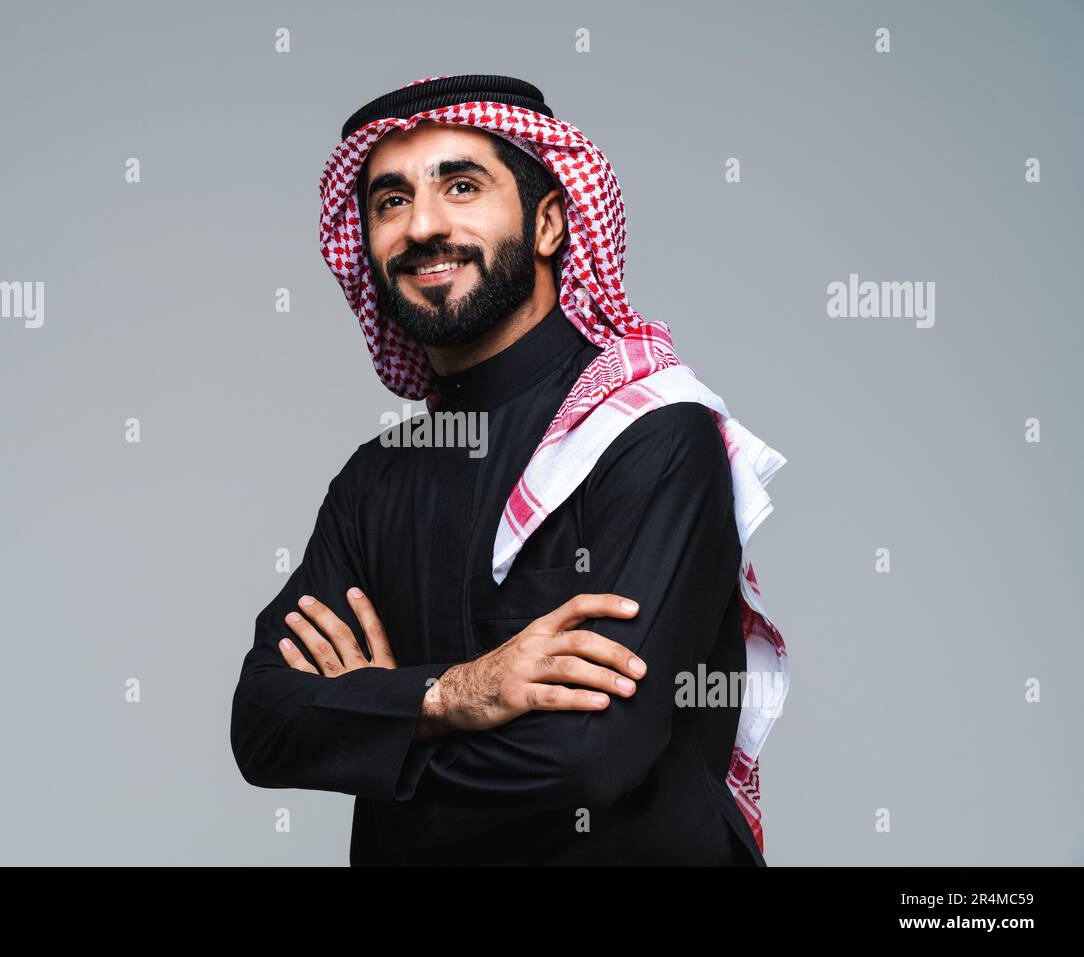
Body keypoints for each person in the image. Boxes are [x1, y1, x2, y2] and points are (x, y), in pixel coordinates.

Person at [230, 74, 789, 865]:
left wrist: (379, 725)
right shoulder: (371, 483)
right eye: (390, 201)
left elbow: (589, 758)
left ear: (552, 223)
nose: (423, 225)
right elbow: (262, 722)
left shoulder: (653, 436)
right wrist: (455, 694)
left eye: (461, 186)